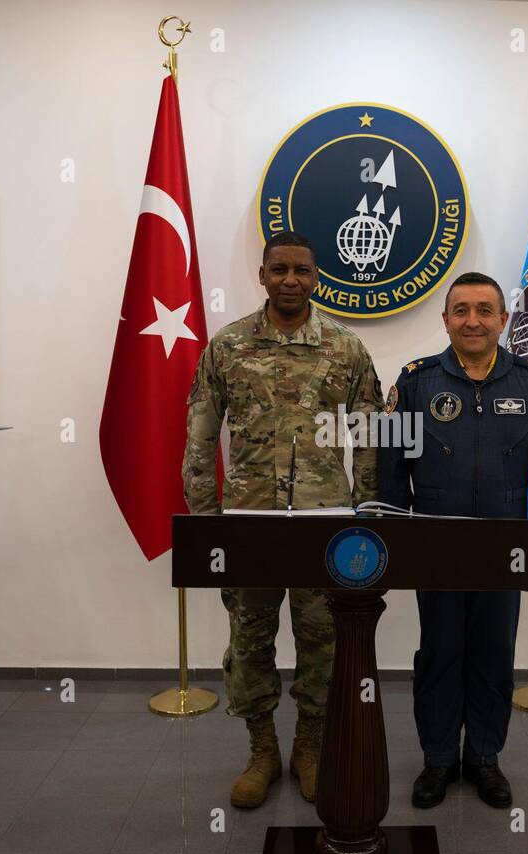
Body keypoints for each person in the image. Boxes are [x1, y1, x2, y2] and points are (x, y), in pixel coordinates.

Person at [182, 231, 383, 808]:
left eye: (301, 270)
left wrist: (367, 519)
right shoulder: (228, 346)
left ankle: (311, 748)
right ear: (262, 274)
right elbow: (199, 441)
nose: (291, 279)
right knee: (250, 638)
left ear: (316, 277)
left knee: (322, 641)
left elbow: (369, 439)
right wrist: (205, 524)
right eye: (280, 269)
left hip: (326, 523)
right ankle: (262, 749)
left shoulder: (344, 348)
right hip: (249, 522)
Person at [377, 271, 528, 809]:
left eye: (485, 310)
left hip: (505, 547)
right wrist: (398, 530)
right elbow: (390, 465)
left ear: (503, 320)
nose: (473, 321)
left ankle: (484, 758)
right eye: (461, 310)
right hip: (435, 543)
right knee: (440, 652)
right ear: (445, 320)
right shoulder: (415, 382)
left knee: (492, 654)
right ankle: (438, 760)